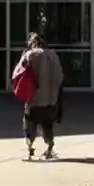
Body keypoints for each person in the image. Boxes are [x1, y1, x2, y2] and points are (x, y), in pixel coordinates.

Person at [19, 32, 64, 160]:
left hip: (34, 99)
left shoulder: (30, 55)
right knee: (47, 124)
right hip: (51, 99)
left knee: (29, 123)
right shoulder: (53, 56)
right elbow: (60, 76)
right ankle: (50, 147)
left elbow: (20, 73)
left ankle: (30, 147)